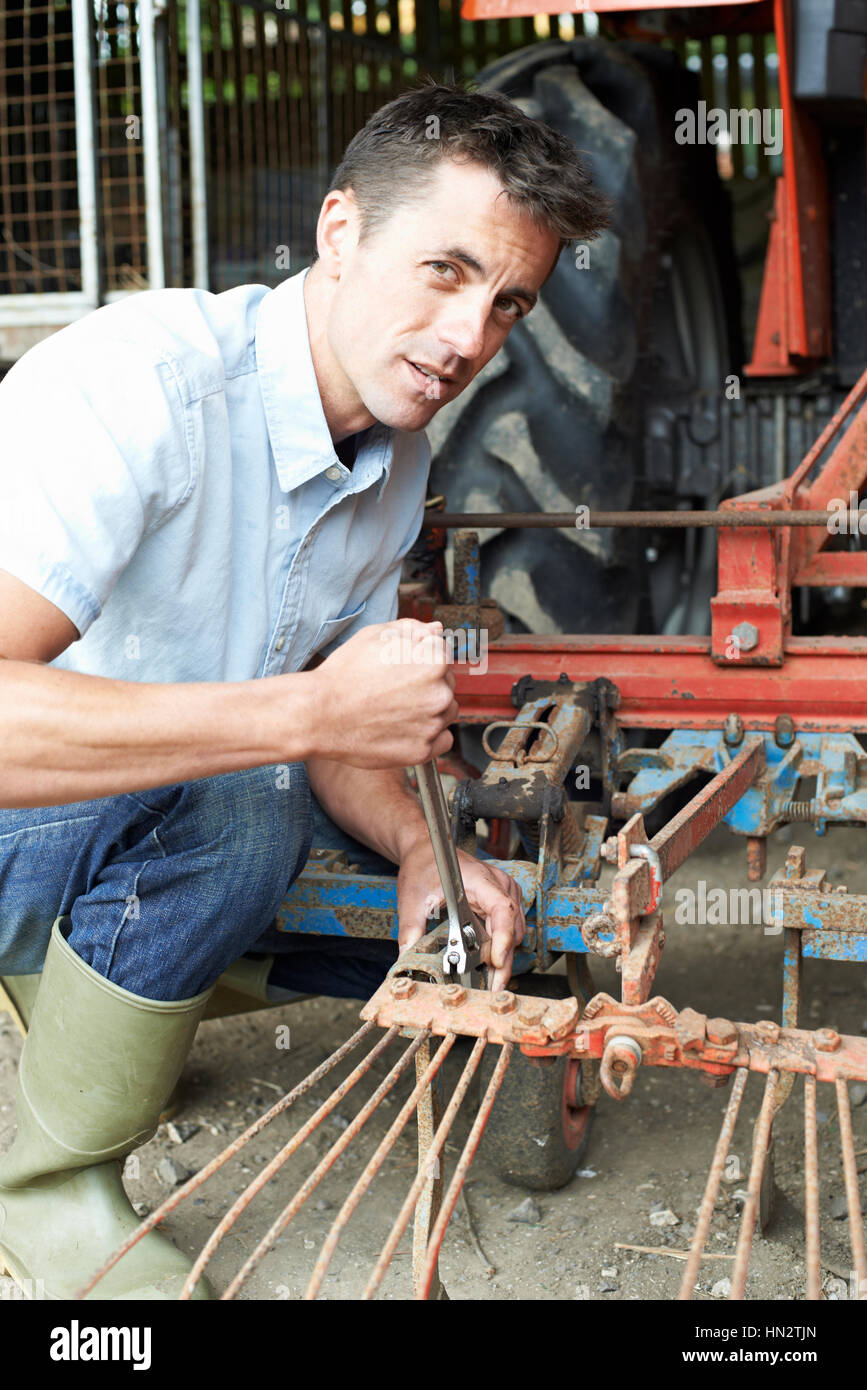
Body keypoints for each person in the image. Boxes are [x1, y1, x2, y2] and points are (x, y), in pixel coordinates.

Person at [0, 82, 607, 1298]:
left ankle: (78, 1005)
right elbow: (309, 719)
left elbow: (349, 727)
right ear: (339, 233)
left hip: (135, 823)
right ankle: (46, 1189)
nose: (469, 338)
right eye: (443, 270)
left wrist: (424, 850)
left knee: (434, 924)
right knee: (245, 804)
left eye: (508, 304)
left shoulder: (396, 455)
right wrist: (307, 718)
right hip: (36, 814)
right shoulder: (140, 385)